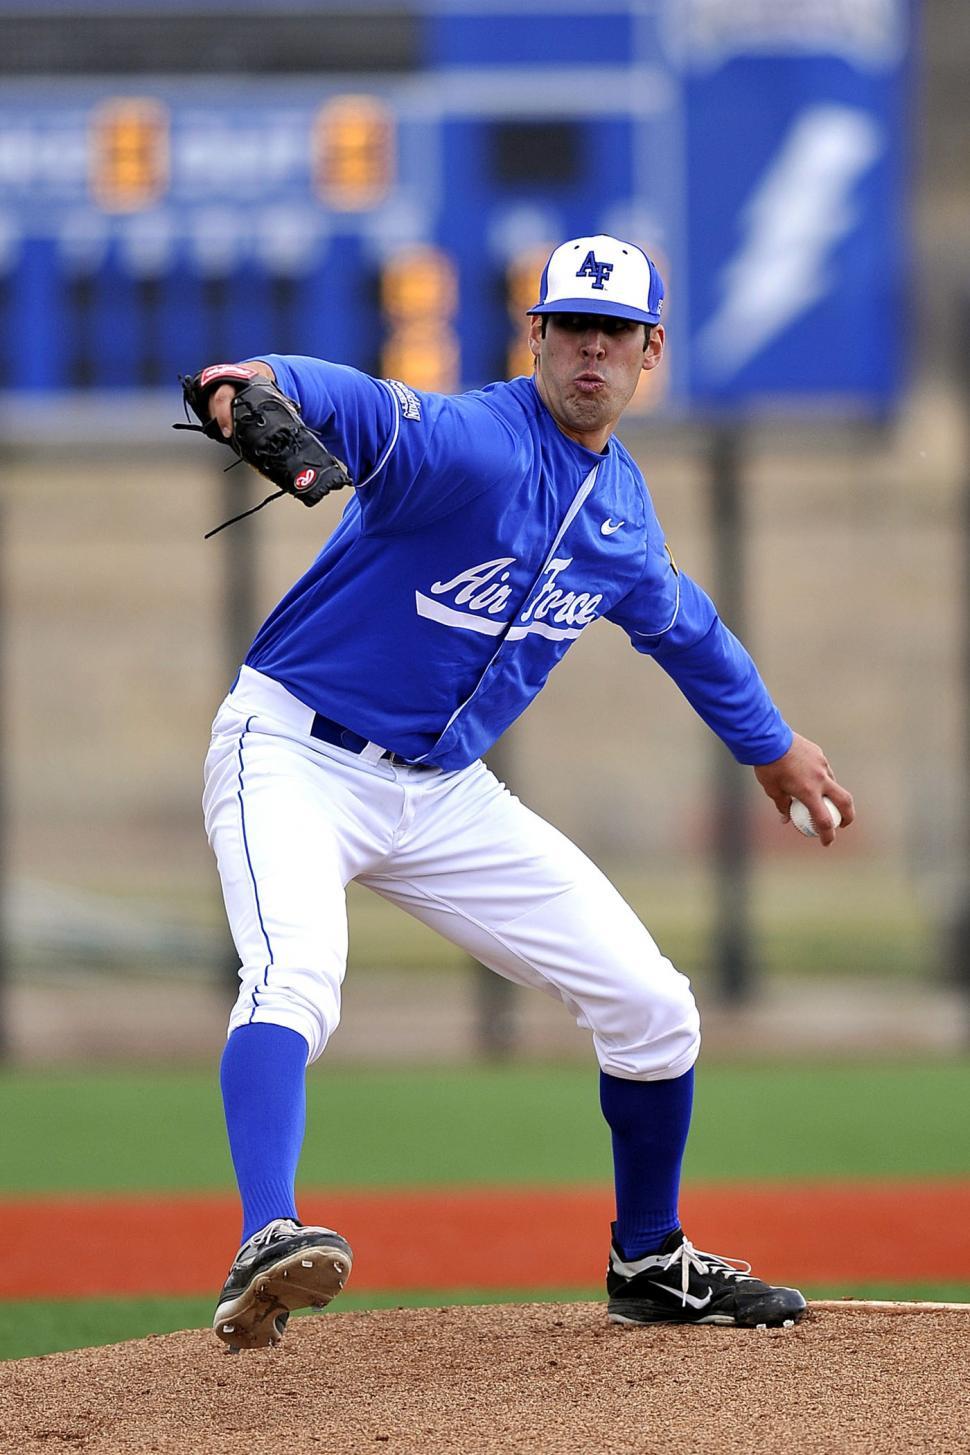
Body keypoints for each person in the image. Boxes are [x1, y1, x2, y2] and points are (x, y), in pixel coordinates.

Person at [195, 234, 854, 1351]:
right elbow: (339, 397)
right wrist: (252, 386)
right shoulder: (467, 444)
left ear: (650, 352)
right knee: (297, 975)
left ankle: (648, 1261)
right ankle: (267, 1236)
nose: (590, 350)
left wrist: (770, 744)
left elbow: (685, 632)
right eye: (570, 327)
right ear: (536, 336)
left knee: (652, 1008)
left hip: (443, 794)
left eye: (614, 333)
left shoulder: (621, 511)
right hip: (291, 753)